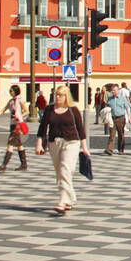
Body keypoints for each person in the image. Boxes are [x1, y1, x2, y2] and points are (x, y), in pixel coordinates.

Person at [35, 86, 89, 215]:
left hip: (71, 143)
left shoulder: (73, 110)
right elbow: (42, 128)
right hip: (54, 142)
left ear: (66, 96)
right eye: (56, 94)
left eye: (60, 95)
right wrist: (39, 144)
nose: (57, 97)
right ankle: (70, 199)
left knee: (65, 169)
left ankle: (63, 200)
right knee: (60, 172)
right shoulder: (49, 109)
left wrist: (84, 147)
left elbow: (81, 130)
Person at [0, 84, 29, 172]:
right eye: (10, 91)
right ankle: (24, 164)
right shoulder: (11, 101)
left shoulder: (20, 100)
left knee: (10, 144)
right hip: (12, 124)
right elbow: (2, 111)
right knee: (19, 145)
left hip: (17, 125)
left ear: (15, 92)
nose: (10, 92)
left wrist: (19, 116)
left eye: (11, 91)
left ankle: (4, 165)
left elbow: (26, 111)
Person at [106, 84, 129, 154]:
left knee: (121, 134)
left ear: (118, 90)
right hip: (112, 118)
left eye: (114, 90)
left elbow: (127, 108)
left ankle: (121, 149)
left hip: (121, 118)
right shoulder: (109, 99)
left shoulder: (123, 98)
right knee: (112, 135)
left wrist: (130, 117)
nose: (113, 92)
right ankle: (109, 149)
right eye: (112, 90)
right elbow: (107, 107)